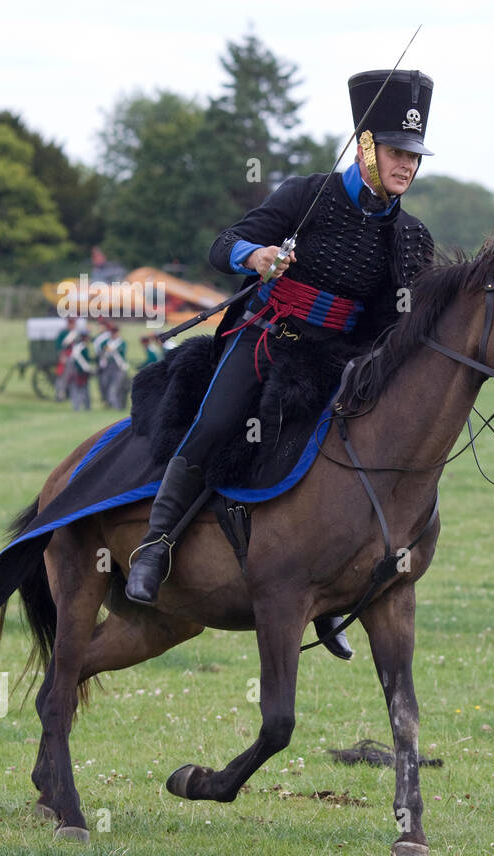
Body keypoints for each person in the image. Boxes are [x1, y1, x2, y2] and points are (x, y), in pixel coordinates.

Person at [124, 69, 438, 664]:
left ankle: (334, 598)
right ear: (367, 147)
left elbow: (401, 318)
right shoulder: (305, 196)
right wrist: (257, 254)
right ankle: (155, 548)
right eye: (398, 152)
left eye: (415, 157)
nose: (407, 167)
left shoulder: (411, 235)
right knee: (217, 426)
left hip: (339, 363)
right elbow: (224, 247)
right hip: (268, 338)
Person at [66, 333, 95, 411]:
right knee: (82, 390)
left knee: (77, 390)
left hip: (76, 371)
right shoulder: (83, 348)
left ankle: (79, 406)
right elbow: (85, 361)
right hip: (80, 372)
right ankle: (83, 406)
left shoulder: (77, 347)